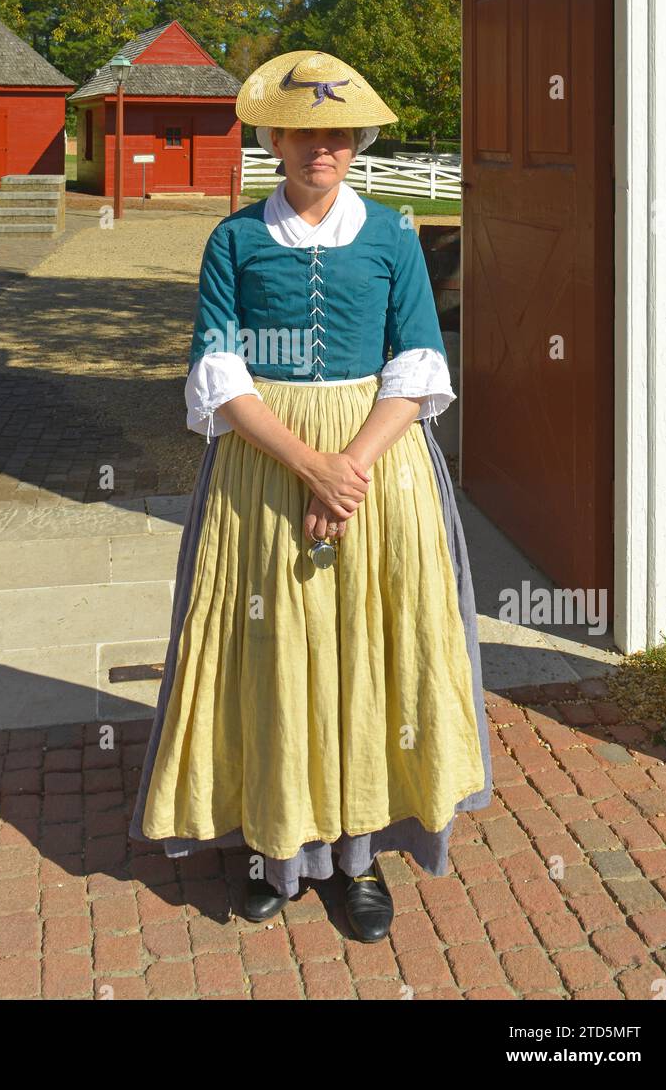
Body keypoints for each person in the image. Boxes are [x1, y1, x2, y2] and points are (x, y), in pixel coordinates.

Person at [128, 49, 493, 943]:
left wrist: (350, 467)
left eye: (335, 133)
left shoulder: (394, 236)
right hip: (265, 464)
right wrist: (307, 463)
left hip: (382, 463)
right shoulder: (236, 240)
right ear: (276, 138)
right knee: (273, 645)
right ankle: (273, 848)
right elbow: (217, 367)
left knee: (370, 648)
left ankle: (360, 855)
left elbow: (417, 364)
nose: (319, 148)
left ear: (356, 140)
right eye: (302, 131)